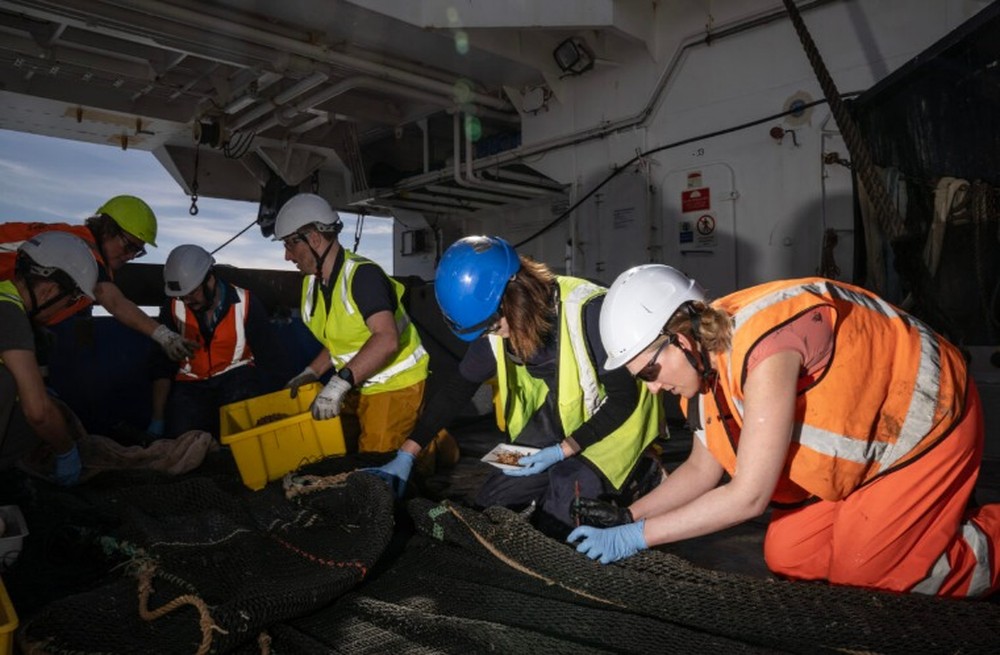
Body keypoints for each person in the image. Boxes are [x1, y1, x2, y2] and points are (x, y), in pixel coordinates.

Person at [567, 264, 1000, 599]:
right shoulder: (705, 371)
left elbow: (749, 497)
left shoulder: (766, 349)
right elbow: (701, 470)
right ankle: (905, 529)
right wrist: (631, 515)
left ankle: (988, 543)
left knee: (870, 580)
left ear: (680, 337)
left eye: (650, 371)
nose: (652, 387)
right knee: (791, 556)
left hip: (925, 424)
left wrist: (636, 537)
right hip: (866, 453)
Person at [370, 236, 664, 538]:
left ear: (514, 294)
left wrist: (563, 452)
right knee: (492, 504)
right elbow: (457, 389)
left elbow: (623, 400)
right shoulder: (496, 327)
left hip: (618, 422)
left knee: (564, 512)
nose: (492, 335)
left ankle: (642, 474)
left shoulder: (589, 312)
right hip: (562, 415)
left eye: (491, 326)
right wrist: (408, 453)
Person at [273, 193, 429, 453]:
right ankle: (423, 432)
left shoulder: (363, 276)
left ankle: (431, 441)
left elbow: (386, 339)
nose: (287, 256)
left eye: (290, 244)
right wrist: (311, 372)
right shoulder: (313, 284)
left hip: (395, 382)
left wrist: (339, 384)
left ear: (314, 239)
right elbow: (342, 340)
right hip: (359, 379)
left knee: (374, 460)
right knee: (333, 441)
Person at [0, 196, 197, 361]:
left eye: (137, 252)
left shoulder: (77, 250)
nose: (130, 256)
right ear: (106, 229)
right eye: (129, 246)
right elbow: (114, 302)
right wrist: (165, 336)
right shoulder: (82, 249)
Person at [146, 244, 289, 439]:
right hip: (191, 386)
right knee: (184, 440)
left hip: (237, 380)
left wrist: (279, 408)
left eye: (193, 292)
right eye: (182, 296)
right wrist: (158, 418)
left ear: (210, 279)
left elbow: (272, 359)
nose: (187, 301)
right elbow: (161, 365)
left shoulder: (246, 303)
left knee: (243, 431)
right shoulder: (172, 308)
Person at [0, 232, 99, 485]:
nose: (67, 309)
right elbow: (38, 412)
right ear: (49, 291)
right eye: (71, 299)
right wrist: (67, 451)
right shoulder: (9, 312)